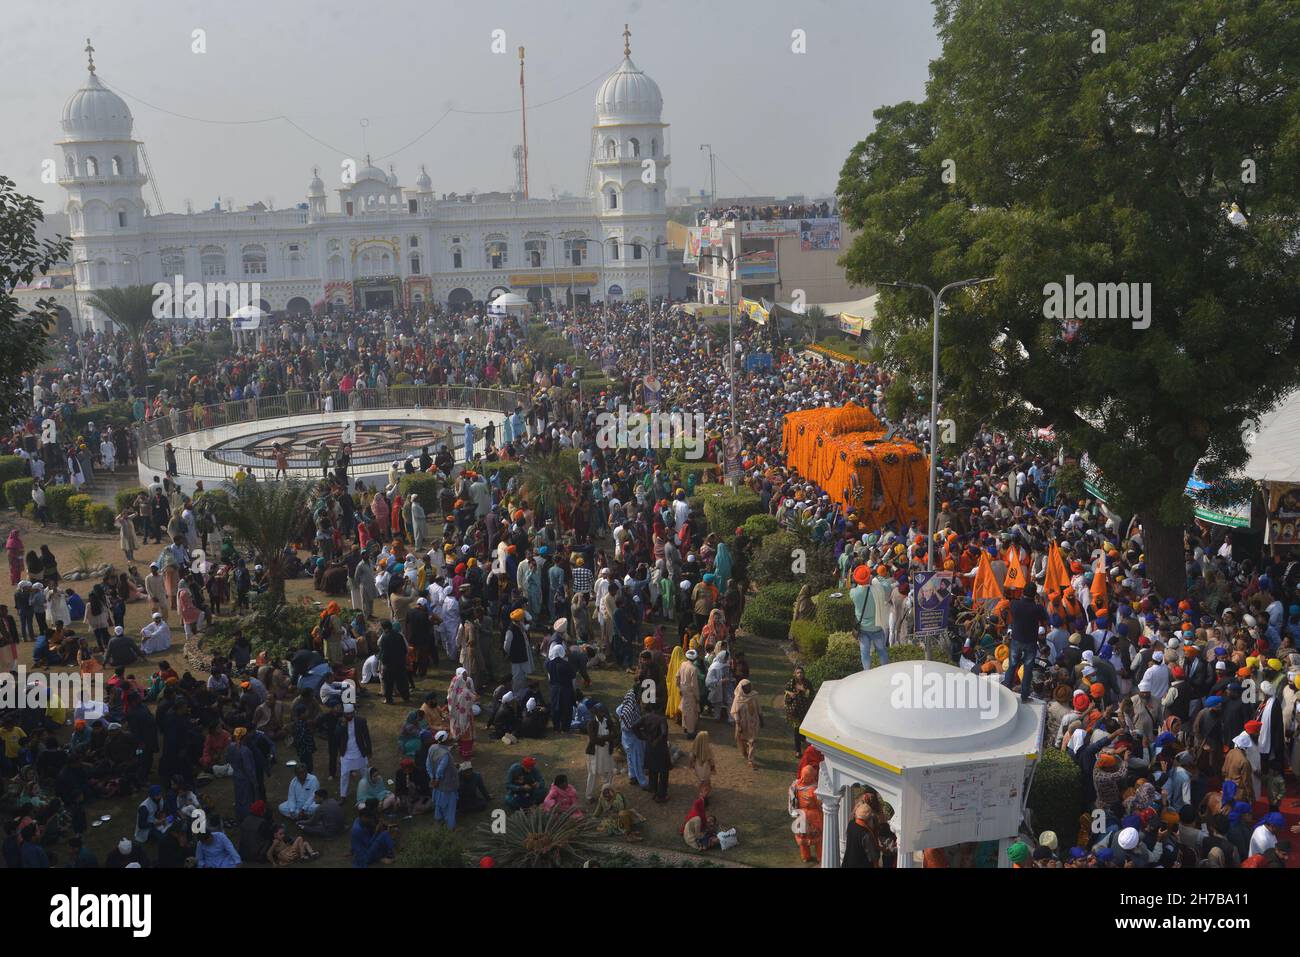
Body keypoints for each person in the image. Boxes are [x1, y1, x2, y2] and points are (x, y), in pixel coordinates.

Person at [333, 702, 372, 798]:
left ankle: (367, 790)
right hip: (346, 752)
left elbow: (366, 737)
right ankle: (343, 796)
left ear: (354, 713)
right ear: (344, 714)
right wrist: (342, 725)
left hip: (359, 751)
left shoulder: (361, 721)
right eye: (347, 714)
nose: (349, 716)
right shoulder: (340, 721)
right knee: (344, 775)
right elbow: (336, 735)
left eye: (351, 713)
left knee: (364, 772)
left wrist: (369, 750)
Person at [789, 764, 823, 863]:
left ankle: (805, 857)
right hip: (814, 815)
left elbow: (793, 799)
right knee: (818, 837)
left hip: (801, 814)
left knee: (802, 837)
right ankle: (820, 857)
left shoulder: (795, 785)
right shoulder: (814, 789)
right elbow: (820, 804)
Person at [427, 730, 460, 829]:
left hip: (436, 783)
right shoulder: (445, 754)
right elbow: (441, 768)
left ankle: (438, 818)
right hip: (446, 783)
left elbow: (428, 764)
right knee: (450, 806)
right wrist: (437, 778)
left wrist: (432, 777)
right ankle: (450, 826)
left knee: (438, 802)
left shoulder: (432, 747)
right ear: (445, 741)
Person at [584, 700, 616, 802]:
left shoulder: (608, 722)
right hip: (595, 752)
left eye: (603, 712)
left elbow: (615, 734)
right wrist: (607, 737)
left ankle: (606, 793)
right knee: (593, 773)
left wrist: (601, 737)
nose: (602, 714)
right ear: (596, 713)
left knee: (608, 772)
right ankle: (589, 796)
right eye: (600, 712)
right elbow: (593, 739)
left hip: (606, 751)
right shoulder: (591, 723)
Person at [731, 677, 761, 769]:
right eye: (746, 687)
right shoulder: (738, 698)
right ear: (741, 688)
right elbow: (735, 712)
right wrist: (738, 724)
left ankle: (751, 760)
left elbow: (758, 708)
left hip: (753, 722)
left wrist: (761, 718)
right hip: (743, 723)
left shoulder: (754, 695)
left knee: (753, 741)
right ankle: (744, 751)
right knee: (742, 739)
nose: (748, 688)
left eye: (749, 686)